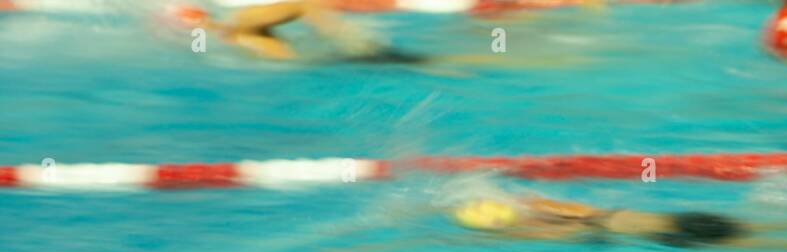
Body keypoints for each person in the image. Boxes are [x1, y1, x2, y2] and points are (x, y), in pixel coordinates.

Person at [426, 191, 787, 250]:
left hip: (678, 237)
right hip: (682, 217)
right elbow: (538, 201)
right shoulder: (558, 207)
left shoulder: (548, 227)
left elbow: (555, 233)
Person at [160, 1, 576, 69]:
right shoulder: (228, 38)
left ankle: (551, 57)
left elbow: (304, 3)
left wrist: (344, 34)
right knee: (442, 66)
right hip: (330, 65)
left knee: (439, 65)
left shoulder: (239, 24)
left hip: (341, 60)